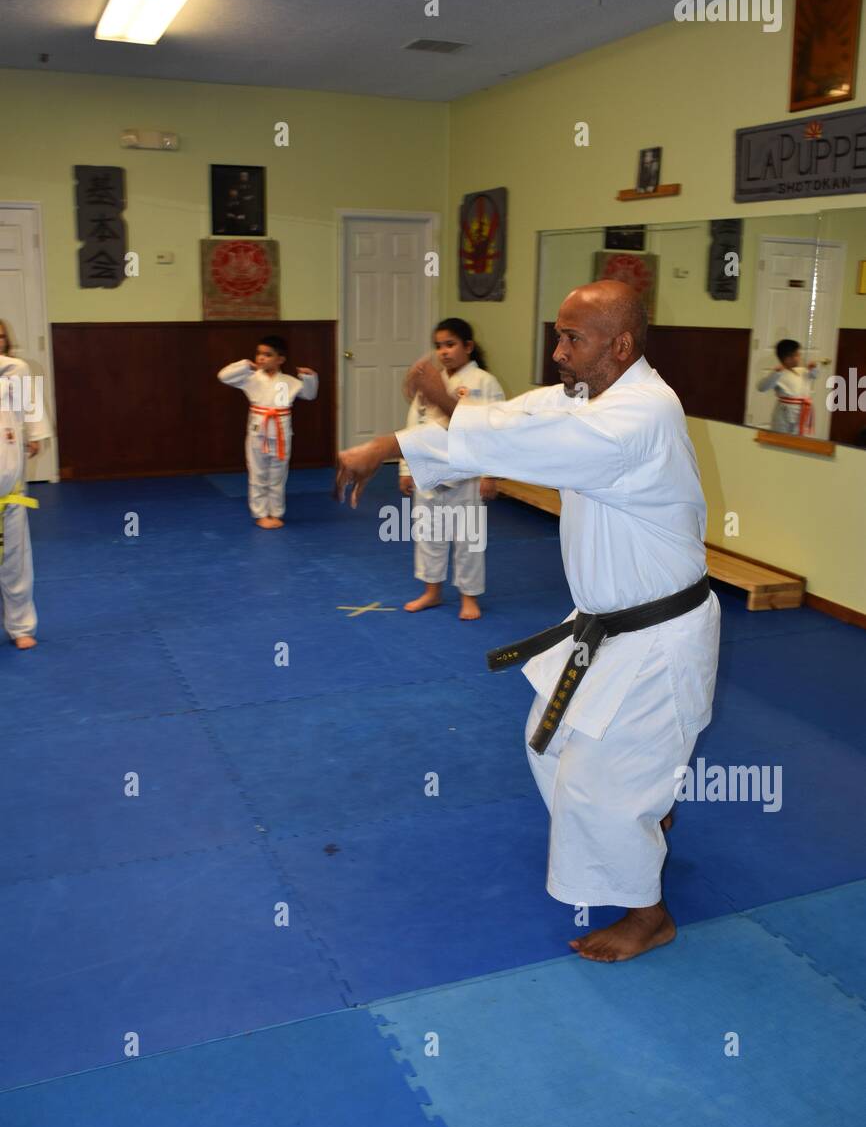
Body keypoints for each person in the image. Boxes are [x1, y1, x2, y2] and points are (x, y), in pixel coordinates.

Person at [335, 280, 720, 963]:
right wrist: (388, 443)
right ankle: (653, 809)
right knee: (548, 743)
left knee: (598, 786)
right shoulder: (586, 397)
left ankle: (648, 913)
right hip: (606, 628)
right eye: (558, 334)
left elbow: (525, 446)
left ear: (620, 345)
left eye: (573, 338)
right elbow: (516, 419)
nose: (558, 351)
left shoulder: (640, 415)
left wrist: (440, 404)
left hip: (657, 639)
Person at [400, 319, 504, 620]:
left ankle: (469, 597)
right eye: (438, 346)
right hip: (430, 469)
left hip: (466, 472)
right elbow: (413, 425)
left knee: (468, 538)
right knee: (428, 534)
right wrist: (406, 468)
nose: (443, 351)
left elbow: (495, 430)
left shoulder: (485, 382)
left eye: (450, 344)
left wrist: (490, 474)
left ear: (468, 346)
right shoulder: (429, 382)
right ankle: (431, 591)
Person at [218, 337, 318, 528]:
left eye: (268, 355)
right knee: (257, 473)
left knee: (278, 475)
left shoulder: (288, 382)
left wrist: (310, 377)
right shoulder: (250, 378)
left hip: (281, 432)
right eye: (259, 354)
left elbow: (309, 394)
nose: (261, 358)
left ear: (280, 359)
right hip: (258, 431)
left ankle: (275, 513)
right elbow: (223, 376)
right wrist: (245, 365)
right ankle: (261, 513)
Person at [0, 320, 52, 649]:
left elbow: (27, 410)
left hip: (11, 490)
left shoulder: (13, 374)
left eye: (1, 336)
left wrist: (33, 434)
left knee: (16, 561)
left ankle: (20, 626)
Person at [756, 338, 818, 435]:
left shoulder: (803, 370)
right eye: (797, 355)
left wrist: (813, 369)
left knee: (798, 438)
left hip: (802, 411)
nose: (800, 357)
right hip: (784, 412)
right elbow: (761, 387)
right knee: (780, 437)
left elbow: (814, 376)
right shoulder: (779, 374)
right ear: (788, 358)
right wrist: (775, 374)